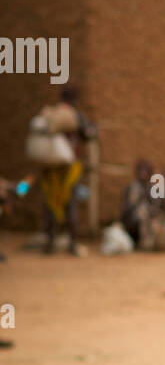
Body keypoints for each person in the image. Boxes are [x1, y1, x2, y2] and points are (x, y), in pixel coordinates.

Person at [36, 86, 96, 255]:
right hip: (68, 169)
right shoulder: (74, 116)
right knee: (70, 204)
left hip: (49, 170)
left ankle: (49, 244)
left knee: (50, 202)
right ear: (74, 99)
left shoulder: (51, 114)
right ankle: (72, 244)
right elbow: (87, 134)